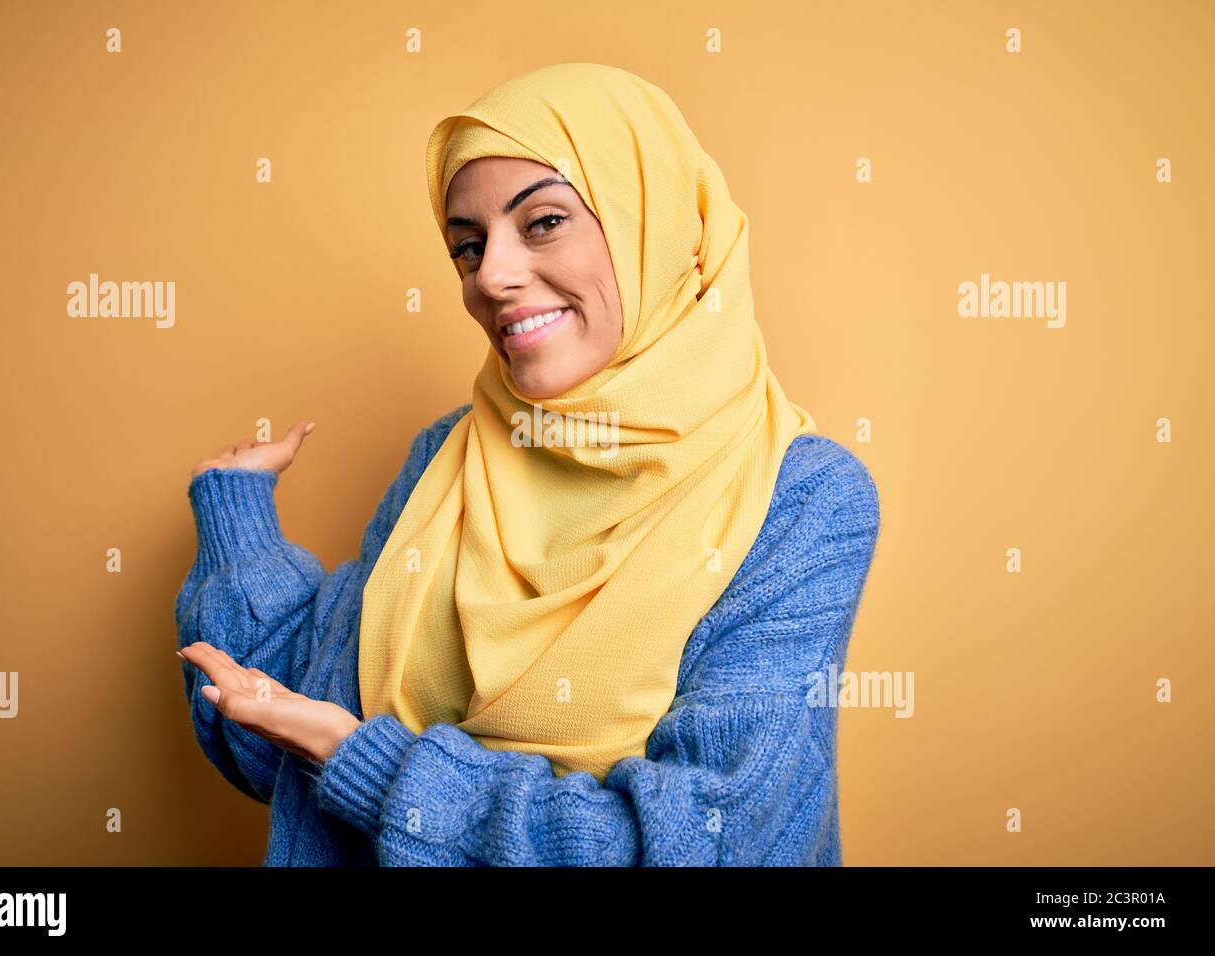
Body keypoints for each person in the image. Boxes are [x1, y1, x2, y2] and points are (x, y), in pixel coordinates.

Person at [175, 62, 881, 866]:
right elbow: (277, 755)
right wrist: (239, 524)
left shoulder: (802, 498)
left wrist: (367, 769)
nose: (493, 279)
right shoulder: (447, 459)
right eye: (467, 248)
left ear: (655, 223)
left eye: (542, 222)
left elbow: (704, 844)